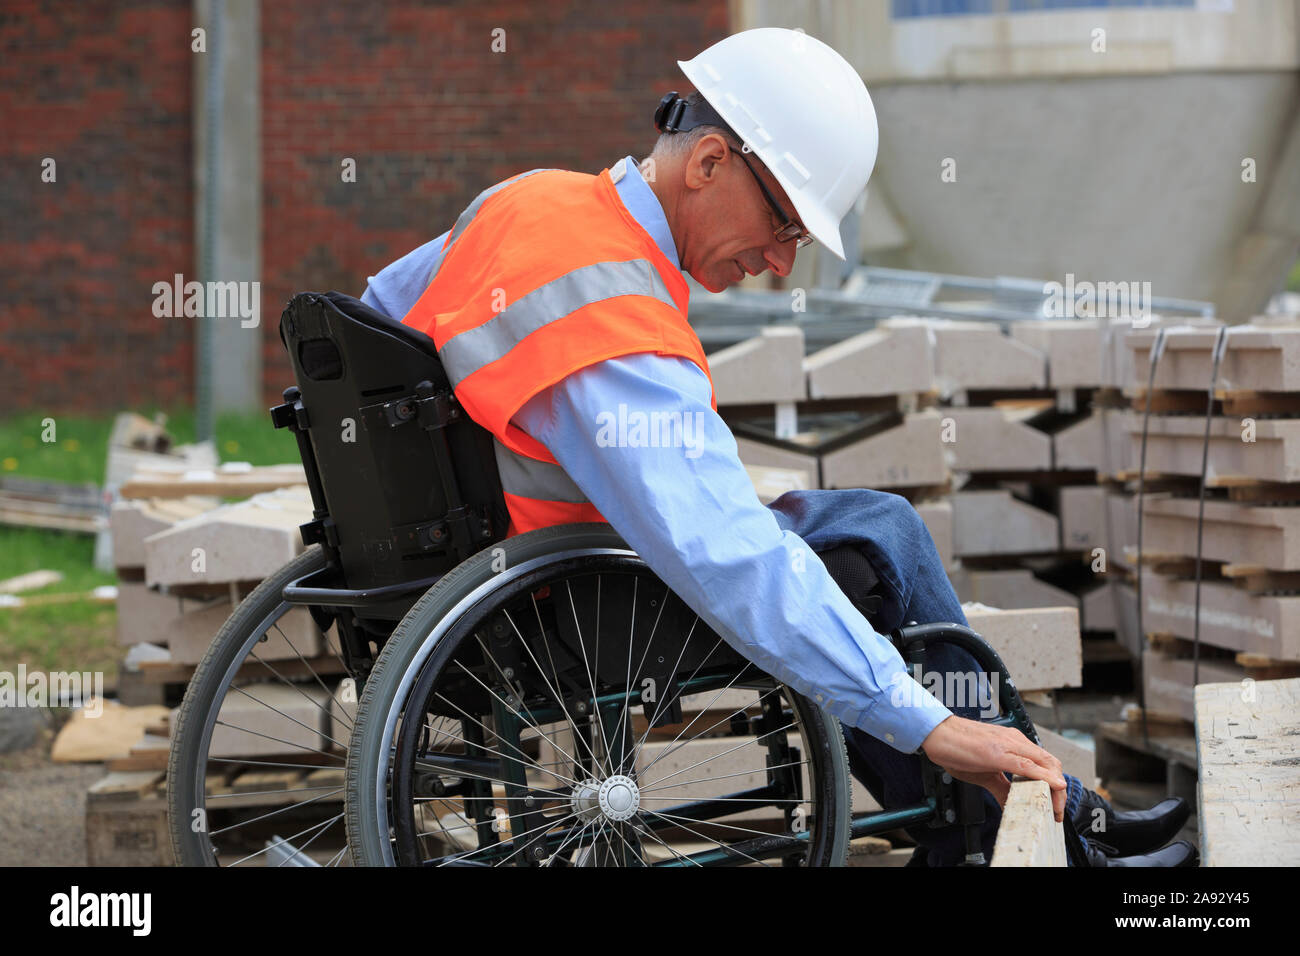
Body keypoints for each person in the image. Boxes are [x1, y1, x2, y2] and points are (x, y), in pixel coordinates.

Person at [361, 28, 1193, 867]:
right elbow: (726, 556)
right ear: (711, 161)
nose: (780, 266)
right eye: (783, 223)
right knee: (875, 544)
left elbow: (375, 319)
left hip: (484, 571)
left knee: (859, 527)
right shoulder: (613, 313)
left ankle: (1047, 818)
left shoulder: (528, 203)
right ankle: (1015, 832)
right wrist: (926, 721)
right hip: (571, 613)